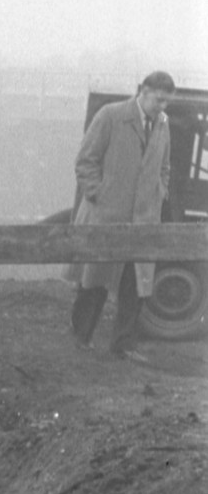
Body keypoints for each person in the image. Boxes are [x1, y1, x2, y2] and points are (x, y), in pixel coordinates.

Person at [69, 70, 175, 355]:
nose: (162, 107)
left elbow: (164, 168)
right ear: (143, 91)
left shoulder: (163, 125)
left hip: (143, 220)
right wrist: (99, 194)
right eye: (159, 100)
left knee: (135, 284)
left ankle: (123, 345)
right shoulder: (111, 116)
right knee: (94, 280)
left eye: (166, 102)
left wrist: (159, 193)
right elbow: (85, 161)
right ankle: (81, 339)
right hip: (106, 216)